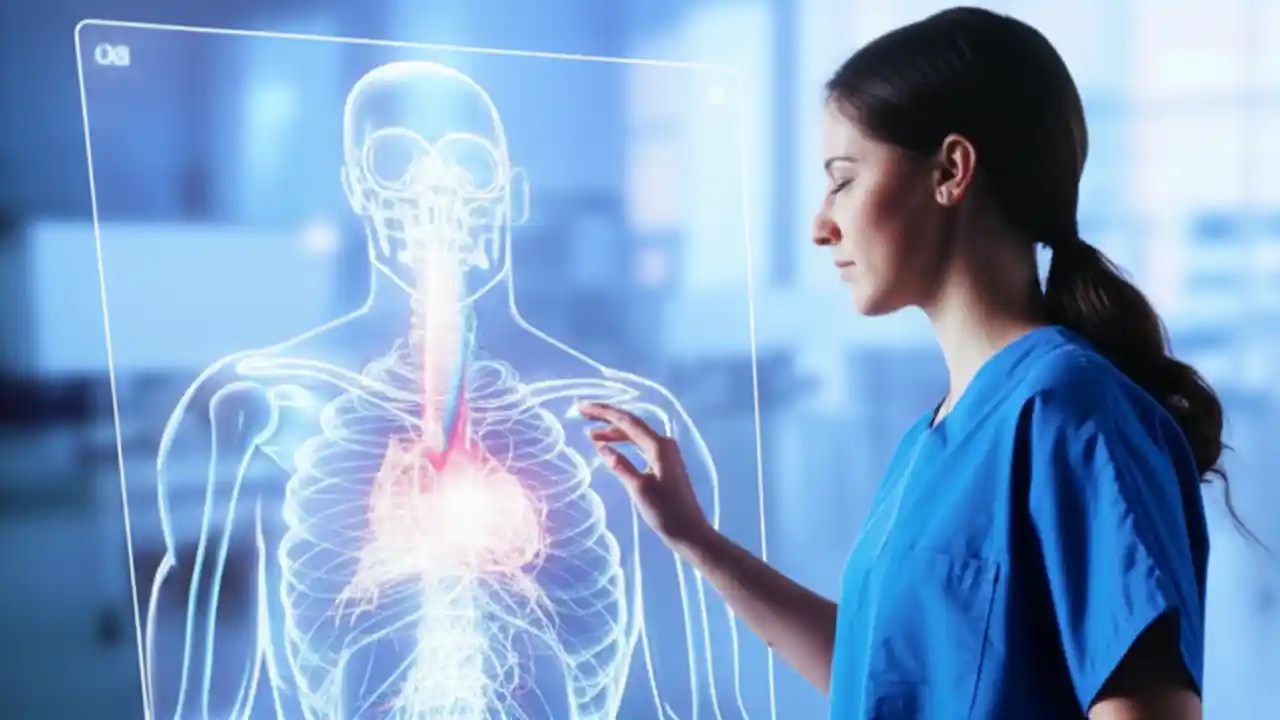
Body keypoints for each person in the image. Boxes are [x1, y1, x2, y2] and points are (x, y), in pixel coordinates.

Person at [580, 7, 1223, 719]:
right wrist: (695, 540)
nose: (822, 226)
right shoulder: (931, 442)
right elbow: (880, 674)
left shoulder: (1069, 414)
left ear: (951, 170)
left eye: (844, 179)